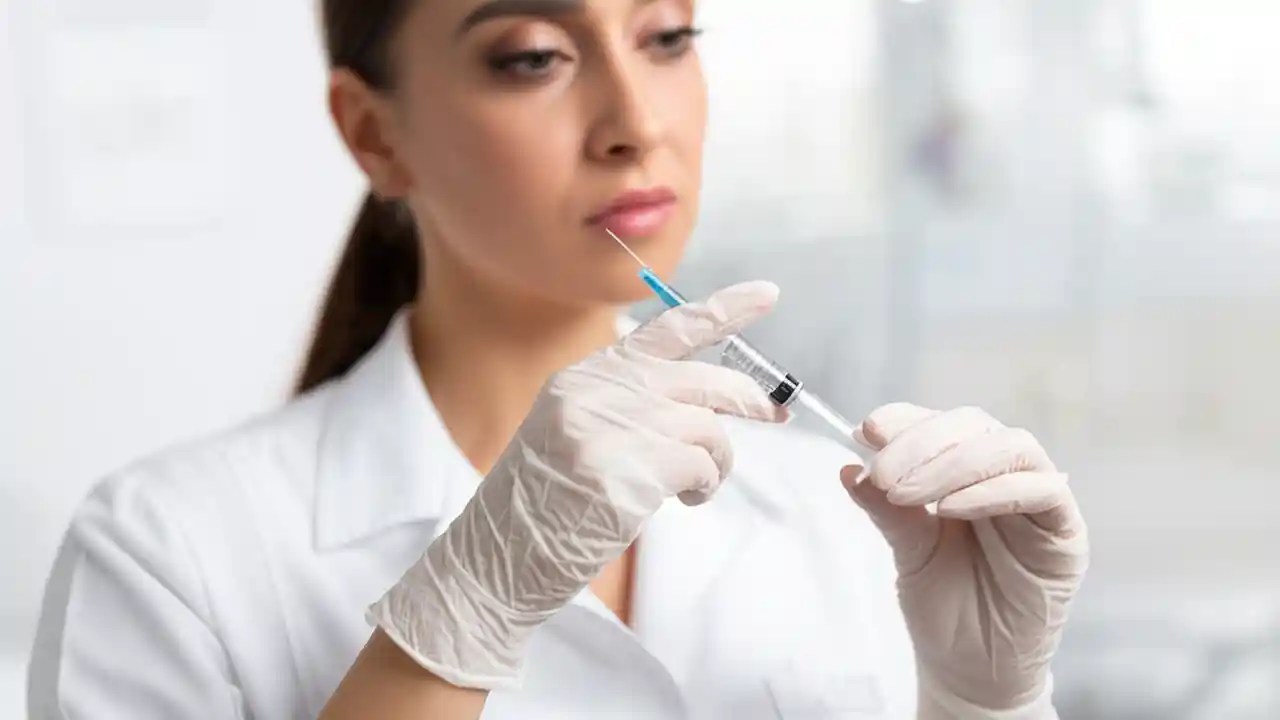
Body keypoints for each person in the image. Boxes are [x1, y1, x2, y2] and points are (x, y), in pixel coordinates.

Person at [27, 1, 1089, 717]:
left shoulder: (846, 514)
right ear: (371, 134)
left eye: (666, 37)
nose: (633, 122)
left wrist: (981, 704)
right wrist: (453, 622)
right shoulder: (169, 553)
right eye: (533, 56)